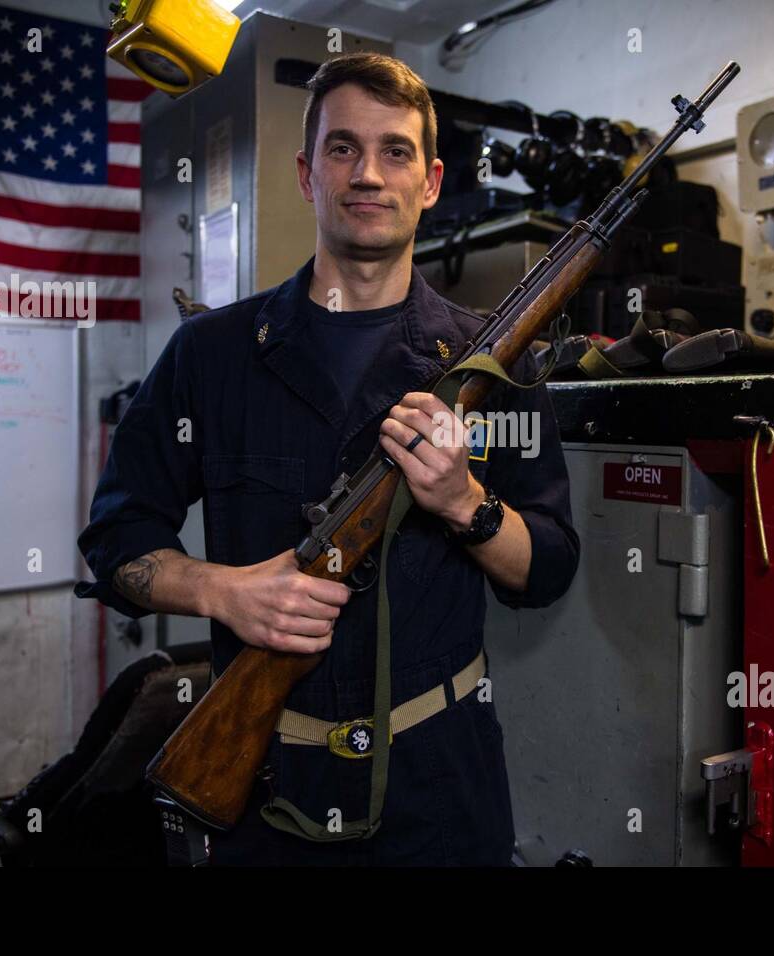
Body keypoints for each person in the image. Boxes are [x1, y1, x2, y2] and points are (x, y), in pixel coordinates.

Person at [75, 52, 579, 865]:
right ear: (308, 176)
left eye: (396, 152)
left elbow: (548, 568)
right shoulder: (211, 355)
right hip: (266, 788)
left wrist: (464, 503)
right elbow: (114, 543)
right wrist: (224, 591)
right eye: (343, 149)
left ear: (433, 180)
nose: (369, 174)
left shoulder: (495, 366)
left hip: (441, 792)